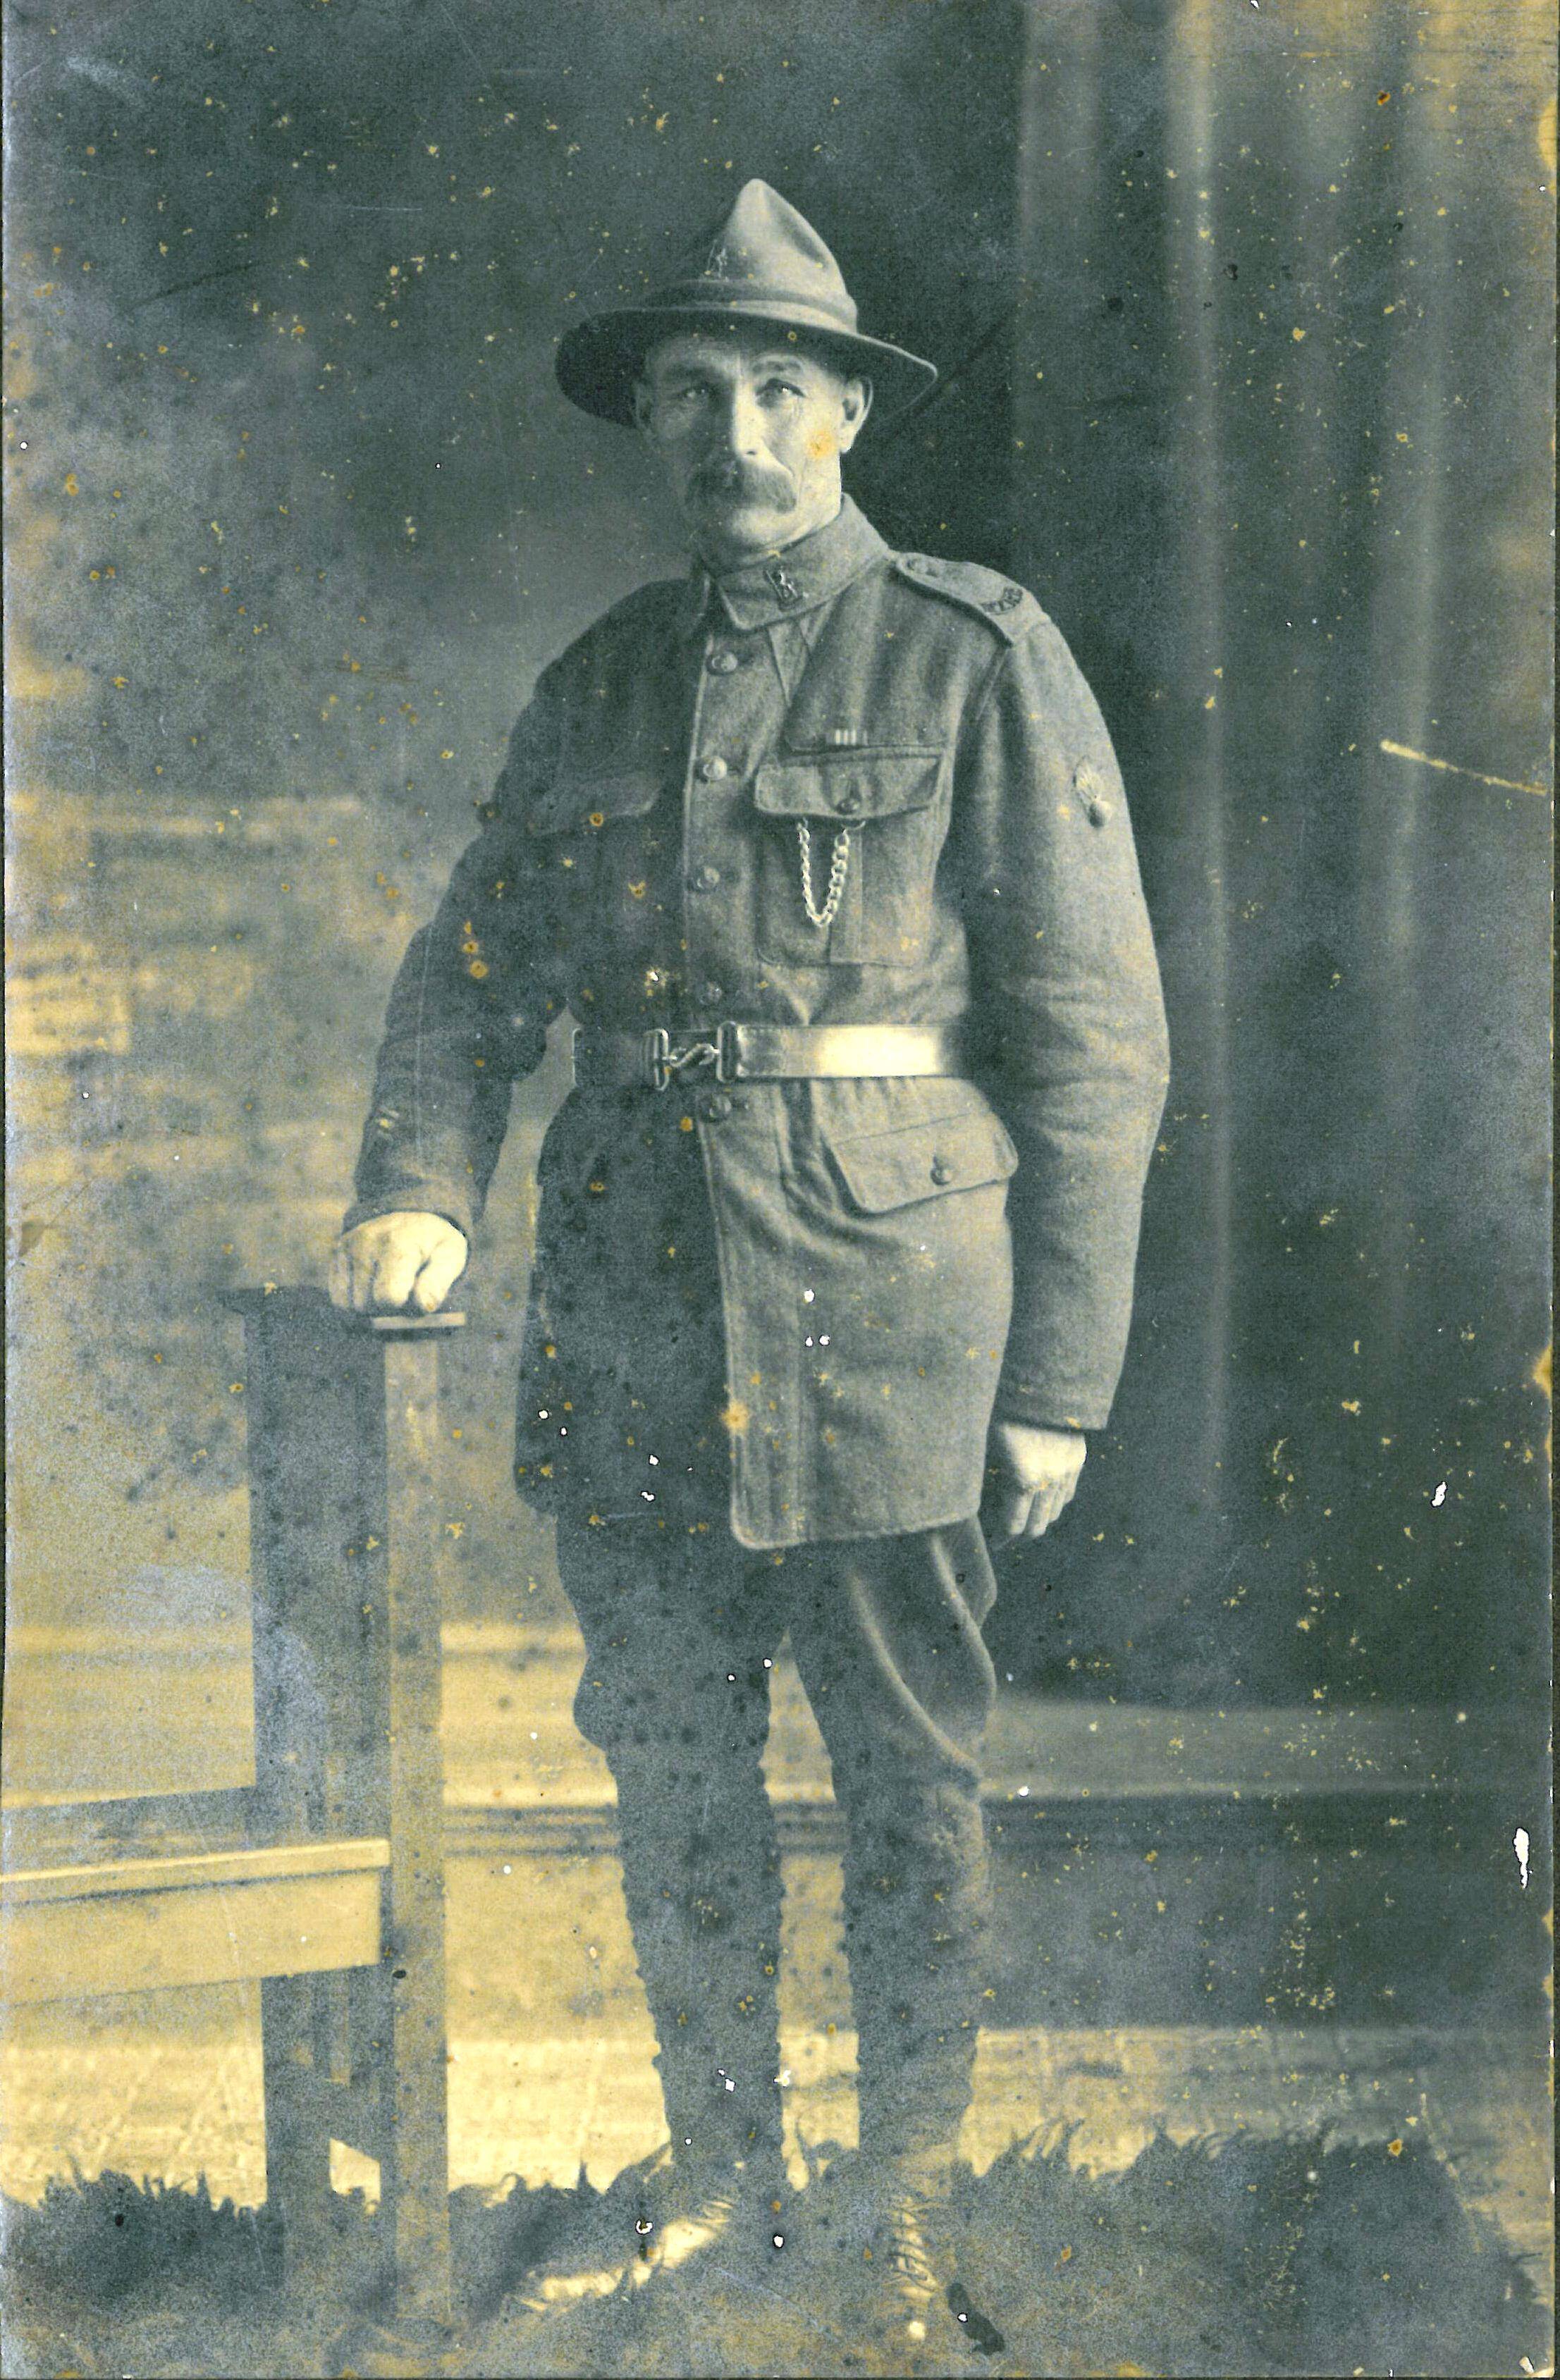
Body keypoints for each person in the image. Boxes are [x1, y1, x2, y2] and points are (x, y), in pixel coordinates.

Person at [330, 179, 1169, 2355]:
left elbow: (1093, 1041)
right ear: (652, 428)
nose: (734, 430)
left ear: (846, 420)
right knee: (675, 1756)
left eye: (777, 387)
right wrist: (418, 1178)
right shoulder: (599, 681)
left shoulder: (975, 655)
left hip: (891, 1310)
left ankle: (891, 2199)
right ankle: (725, 2170)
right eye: (692, 392)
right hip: (631, 1307)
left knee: (905, 1771)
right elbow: (467, 973)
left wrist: (1062, 1374)